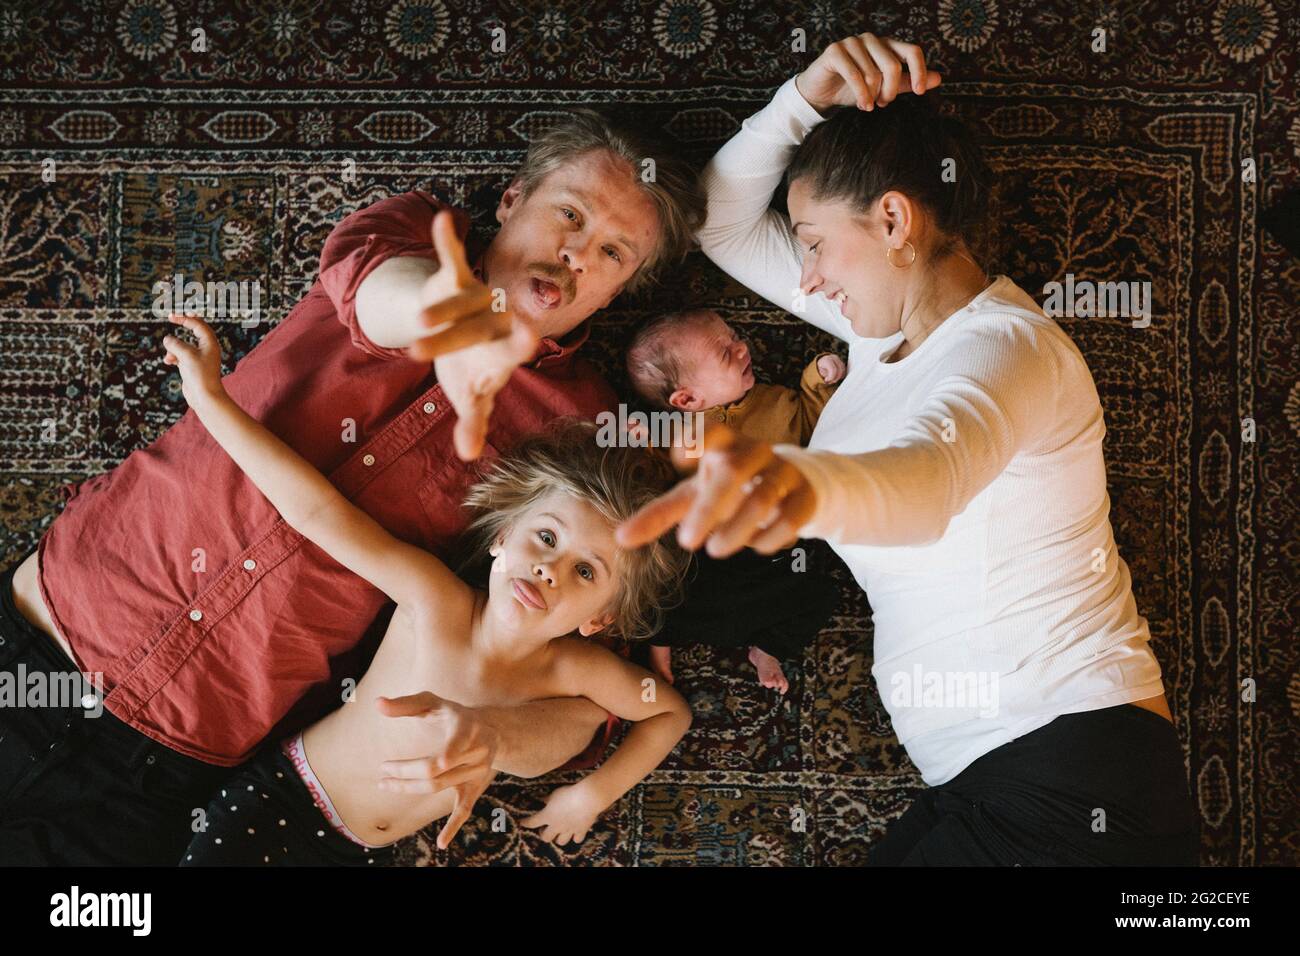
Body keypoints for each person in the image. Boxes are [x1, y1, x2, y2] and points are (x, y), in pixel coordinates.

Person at [0, 107, 705, 864]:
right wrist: (453, 321)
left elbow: (580, 693)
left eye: (611, 252)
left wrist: (497, 736)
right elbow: (377, 295)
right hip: (44, 632)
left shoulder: (584, 435)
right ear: (511, 199)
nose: (574, 252)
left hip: (168, 763)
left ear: (620, 290)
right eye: (569, 212)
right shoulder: (409, 231)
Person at [617, 32, 1199, 865]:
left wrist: (798, 484)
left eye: (813, 240)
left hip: (1068, 773)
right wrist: (803, 98)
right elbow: (719, 220)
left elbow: (929, 482)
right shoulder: (872, 340)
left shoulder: (1009, 350)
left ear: (893, 219)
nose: (806, 277)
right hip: (1009, 776)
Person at [161, 314, 689, 864]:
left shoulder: (577, 671)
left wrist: (592, 796)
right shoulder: (436, 601)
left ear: (600, 618)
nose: (550, 569)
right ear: (503, 538)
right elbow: (316, 513)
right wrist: (210, 400)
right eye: (547, 537)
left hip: (366, 851)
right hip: (281, 804)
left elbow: (667, 713)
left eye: (587, 572)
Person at [624, 308, 846, 692]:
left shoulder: (777, 403)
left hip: (776, 555)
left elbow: (813, 419)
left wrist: (818, 378)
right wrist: (640, 439)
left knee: (821, 594)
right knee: (661, 582)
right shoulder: (682, 434)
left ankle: (766, 648)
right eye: (726, 353)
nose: (742, 347)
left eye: (734, 336)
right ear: (688, 399)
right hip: (710, 558)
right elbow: (655, 475)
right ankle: (660, 638)